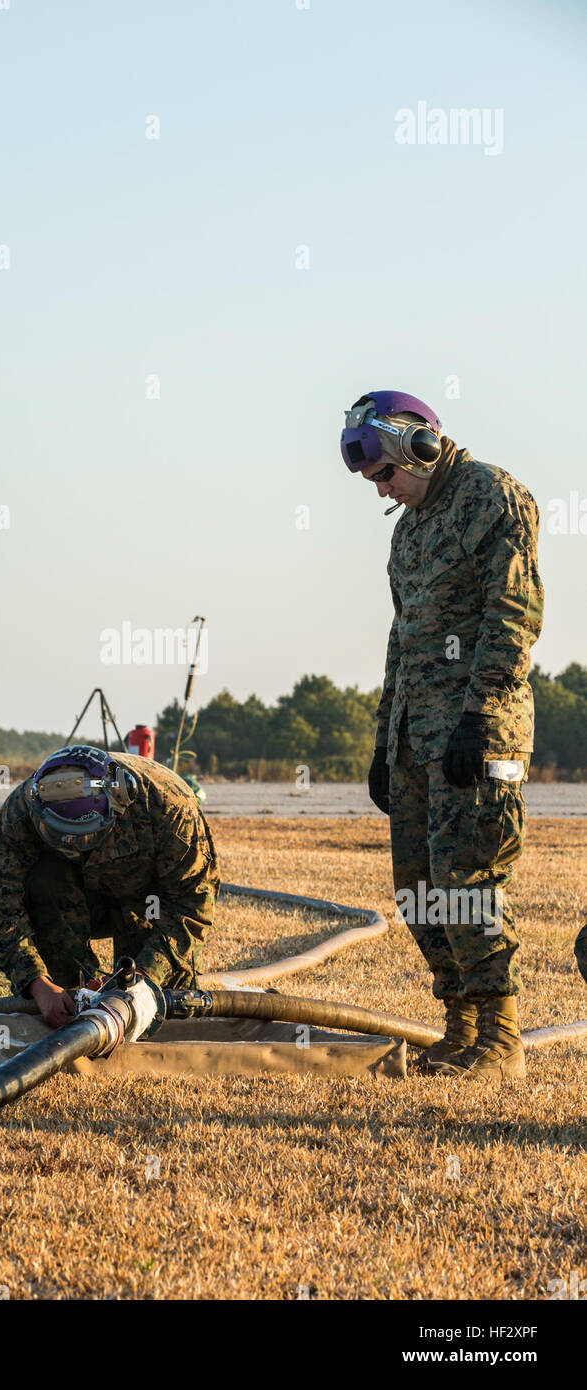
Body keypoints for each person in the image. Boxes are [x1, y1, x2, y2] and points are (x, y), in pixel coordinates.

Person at [342, 389, 544, 1080]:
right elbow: (402, 640)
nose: (382, 492)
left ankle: (499, 1037)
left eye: (385, 476)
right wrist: (382, 743)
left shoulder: (493, 495)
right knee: (419, 889)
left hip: (475, 733)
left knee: (469, 881)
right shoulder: (409, 529)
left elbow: (513, 615)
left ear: (418, 448)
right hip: (416, 738)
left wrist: (479, 719)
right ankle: (459, 1028)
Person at [0, 744, 219, 1028]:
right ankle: (72, 994)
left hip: (147, 899)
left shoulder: (169, 807)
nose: (75, 849)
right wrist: (38, 984)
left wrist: (146, 979)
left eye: (84, 839)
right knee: (44, 882)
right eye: (61, 838)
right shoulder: (21, 811)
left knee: (152, 1011)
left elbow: (190, 907)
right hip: (73, 896)